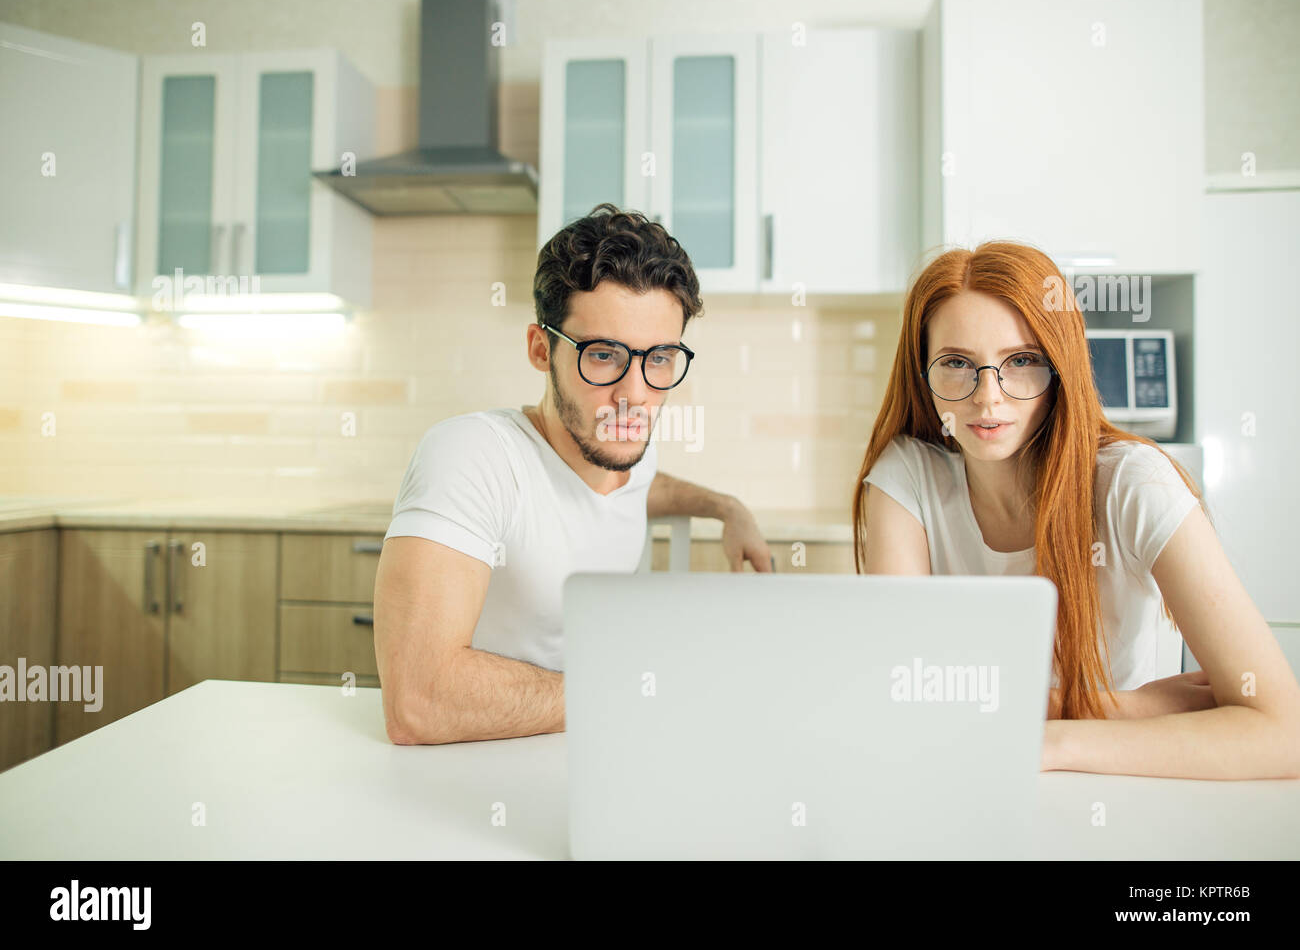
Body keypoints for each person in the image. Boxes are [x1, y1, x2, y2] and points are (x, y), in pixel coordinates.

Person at [853, 241, 1300, 779]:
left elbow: (1284, 732)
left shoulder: (1133, 482)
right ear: (921, 375)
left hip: (1125, 799)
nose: (988, 397)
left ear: (1059, 369)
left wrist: (1053, 743)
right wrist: (1123, 707)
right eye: (956, 364)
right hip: (971, 784)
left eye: (1020, 362)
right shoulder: (908, 476)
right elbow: (905, 696)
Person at [375, 204, 773, 745]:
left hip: (599, 753)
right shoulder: (471, 456)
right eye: (604, 354)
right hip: (476, 772)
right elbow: (418, 702)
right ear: (542, 349)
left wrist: (728, 508)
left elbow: (637, 489)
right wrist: (627, 691)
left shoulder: (622, 446)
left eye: (658, 358)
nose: (635, 394)